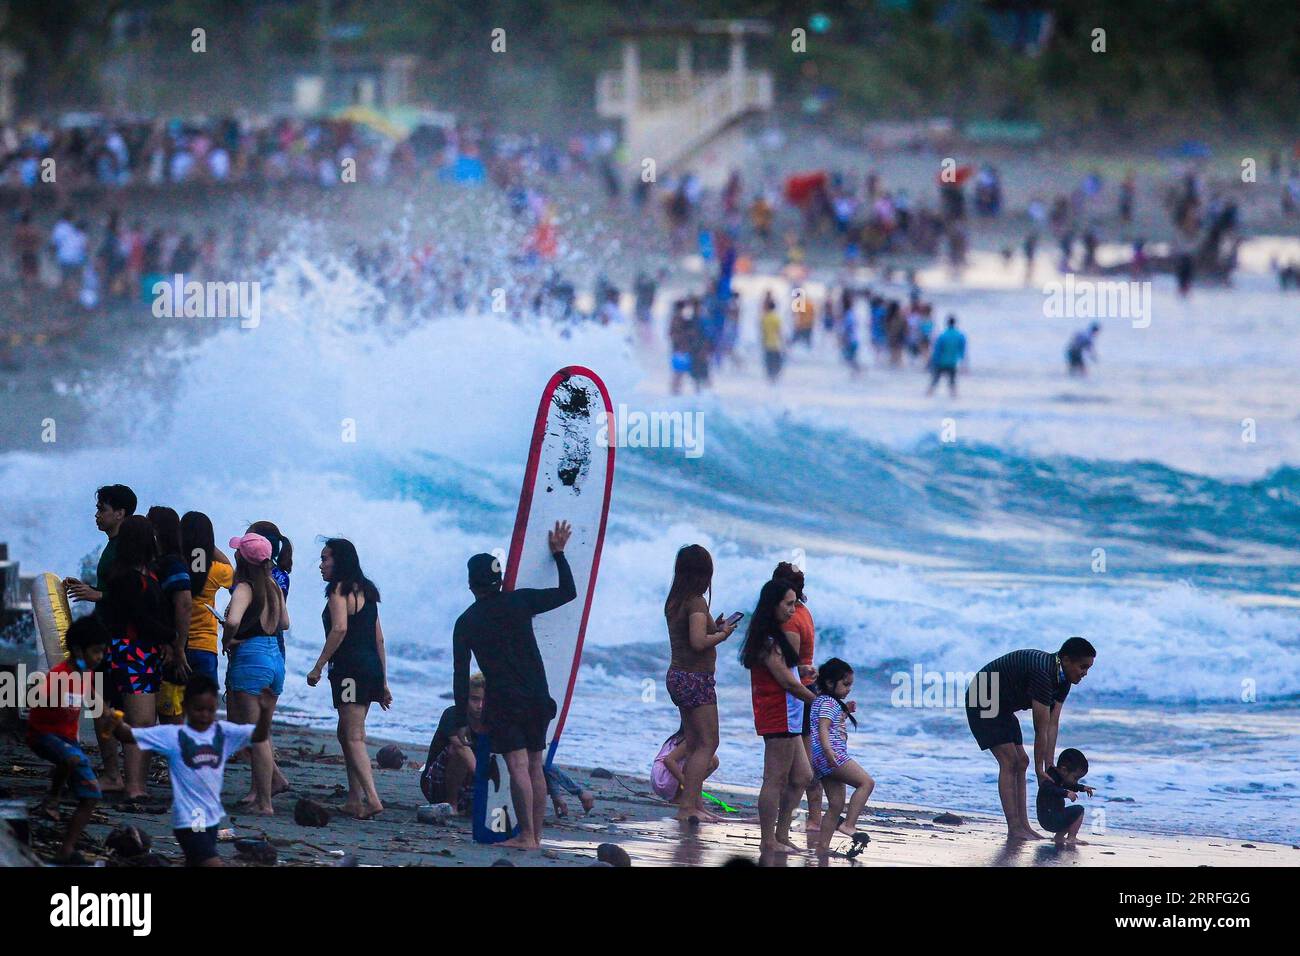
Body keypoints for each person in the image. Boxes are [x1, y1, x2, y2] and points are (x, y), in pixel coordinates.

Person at [451, 520, 576, 849]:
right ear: (500, 578)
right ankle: (536, 834)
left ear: (470, 585)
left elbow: (459, 673)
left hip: (506, 701)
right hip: (538, 695)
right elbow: (568, 592)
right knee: (535, 764)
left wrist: (462, 719)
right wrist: (559, 554)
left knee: (518, 765)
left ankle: (526, 836)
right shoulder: (520, 601)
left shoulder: (466, 622)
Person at [110, 674, 273, 866]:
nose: (204, 715)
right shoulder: (173, 735)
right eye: (199, 709)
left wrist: (264, 712)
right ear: (185, 706)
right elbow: (130, 736)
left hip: (212, 817)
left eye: (210, 710)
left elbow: (259, 736)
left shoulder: (223, 733)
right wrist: (114, 721)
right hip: (190, 819)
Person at [966, 637, 1096, 840]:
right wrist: (1039, 768)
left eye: (1088, 668)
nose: (1085, 673)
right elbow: (1040, 727)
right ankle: (1014, 827)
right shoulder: (1043, 674)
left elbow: (1053, 724)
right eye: (1083, 667)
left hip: (1003, 705)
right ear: (1067, 660)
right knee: (1010, 761)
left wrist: (1049, 764)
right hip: (982, 696)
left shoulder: (1064, 681)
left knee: (1022, 762)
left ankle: (1023, 825)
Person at [308, 538, 391, 819]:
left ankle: (373, 799)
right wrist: (383, 680)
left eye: (325, 559)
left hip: (349, 670)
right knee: (347, 733)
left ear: (339, 560)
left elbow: (340, 629)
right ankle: (355, 799)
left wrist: (318, 666)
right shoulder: (368, 590)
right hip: (369, 668)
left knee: (353, 737)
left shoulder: (338, 590)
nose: (320, 566)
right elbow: (379, 638)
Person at [65, 483, 136, 789]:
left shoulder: (125, 547)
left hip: (118, 639)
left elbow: (131, 595)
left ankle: (115, 775)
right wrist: (89, 590)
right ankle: (117, 773)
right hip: (110, 636)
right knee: (104, 704)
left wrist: (95, 595)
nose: (96, 515)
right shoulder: (112, 545)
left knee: (103, 703)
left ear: (120, 513)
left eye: (102, 509)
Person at [738, 579, 816, 854]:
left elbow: (793, 677)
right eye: (788, 603)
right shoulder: (767, 642)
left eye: (794, 603)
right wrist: (820, 703)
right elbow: (787, 683)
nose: (793, 609)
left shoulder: (775, 638)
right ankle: (767, 839)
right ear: (772, 605)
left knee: (803, 776)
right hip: (777, 714)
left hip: (790, 715)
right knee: (775, 779)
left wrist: (805, 675)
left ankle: (781, 834)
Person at [99, 514, 174, 802]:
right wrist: (171, 637)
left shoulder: (147, 572)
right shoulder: (127, 578)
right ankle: (134, 786)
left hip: (143, 652)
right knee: (140, 722)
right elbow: (140, 619)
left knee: (143, 721)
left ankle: (135, 782)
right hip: (131, 652)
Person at [26, 616, 111, 864]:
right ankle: (54, 800)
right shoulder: (60, 675)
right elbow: (36, 697)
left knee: (88, 790)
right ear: (77, 650)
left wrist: (108, 714)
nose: (100, 657)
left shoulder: (85, 672)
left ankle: (64, 841)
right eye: (96, 651)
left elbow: (91, 695)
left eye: (102, 652)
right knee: (74, 759)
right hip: (43, 736)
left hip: (66, 740)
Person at [664, 544, 736, 823]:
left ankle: (694, 804)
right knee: (708, 743)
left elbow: (692, 634)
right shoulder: (695, 601)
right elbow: (697, 643)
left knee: (694, 744)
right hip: (695, 678)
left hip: (678, 676)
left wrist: (712, 628)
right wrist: (723, 635)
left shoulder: (675, 600)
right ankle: (687, 807)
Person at [222, 532, 290, 815]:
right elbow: (285, 623)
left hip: (252, 658)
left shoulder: (244, 588)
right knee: (263, 732)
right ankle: (264, 794)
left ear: (242, 558)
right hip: (275, 657)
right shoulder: (274, 585)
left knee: (256, 735)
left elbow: (233, 620)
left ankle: (265, 802)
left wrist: (228, 638)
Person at [772, 561, 823, 833]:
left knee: (796, 763)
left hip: (798, 693)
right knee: (805, 759)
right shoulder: (803, 610)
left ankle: (804, 819)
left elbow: (789, 666)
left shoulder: (790, 618)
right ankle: (814, 816)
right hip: (806, 687)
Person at [809, 658, 875, 854]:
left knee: (835, 805)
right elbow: (823, 728)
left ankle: (822, 847)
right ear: (830, 683)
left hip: (820, 758)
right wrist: (829, 752)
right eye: (845, 684)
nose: (849, 689)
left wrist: (845, 713)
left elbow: (831, 726)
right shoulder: (829, 702)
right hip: (832, 755)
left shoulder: (821, 700)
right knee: (866, 783)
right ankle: (849, 824)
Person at [147, 506, 194, 725]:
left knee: (169, 710)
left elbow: (184, 604)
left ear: (157, 529)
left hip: (170, 648)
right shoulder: (159, 561)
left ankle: (174, 757)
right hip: (159, 645)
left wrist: (179, 647)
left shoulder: (173, 563)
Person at [179, 510, 234, 690]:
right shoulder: (215, 570)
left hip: (177, 644)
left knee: (174, 711)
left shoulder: (175, 567)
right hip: (204, 645)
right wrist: (206, 545)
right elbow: (230, 569)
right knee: (203, 709)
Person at [421, 671, 486, 815]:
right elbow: (461, 747)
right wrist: (484, 779)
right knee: (458, 750)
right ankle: (452, 804)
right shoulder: (453, 715)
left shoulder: (493, 721)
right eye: (474, 699)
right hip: (439, 785)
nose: (480, 705)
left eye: (484, 700)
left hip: (475, 785)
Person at [1036, 748, 1095, 847]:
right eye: (1075, 778)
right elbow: (1049, 789)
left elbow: (1070, 785)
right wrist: (1065, 793)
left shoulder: (1059, 777)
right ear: (1063, 770)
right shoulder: (1050, 779)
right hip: (1049, 818)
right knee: (1079, 810)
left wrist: (1082, 787)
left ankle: (1059, 837)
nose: (1076, 781)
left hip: (1050, 817)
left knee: (1069, 814)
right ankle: (1071, 837)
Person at [652, 724, 720, 808]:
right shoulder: (689, 740)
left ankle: (684, 794)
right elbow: (668, 760)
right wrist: (686, 782)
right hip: (664, 780)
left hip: (660, 780)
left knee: (712, 759)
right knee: (701, 762)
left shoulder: (678, 737)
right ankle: (680, 796)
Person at [926, 315, 967, 397]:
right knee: (952, 384)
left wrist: (932, 362)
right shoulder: (960, 336)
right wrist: (964, 365)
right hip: (952, 362)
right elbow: (962, 352)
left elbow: (937, 351)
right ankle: (955, 400)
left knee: (934, 382)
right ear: (955, 323)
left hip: (941, 362)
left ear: (947, 323)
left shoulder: (942, 336)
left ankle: (927, 397)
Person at [760, 290, 784, 384]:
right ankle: (775, 377)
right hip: (776, 344)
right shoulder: (776, 318)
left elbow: (763, 331)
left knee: (768, 362)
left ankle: (770, 378)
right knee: (776, 362)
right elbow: (779, 331)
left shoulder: (764, 318)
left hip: (767, 344)